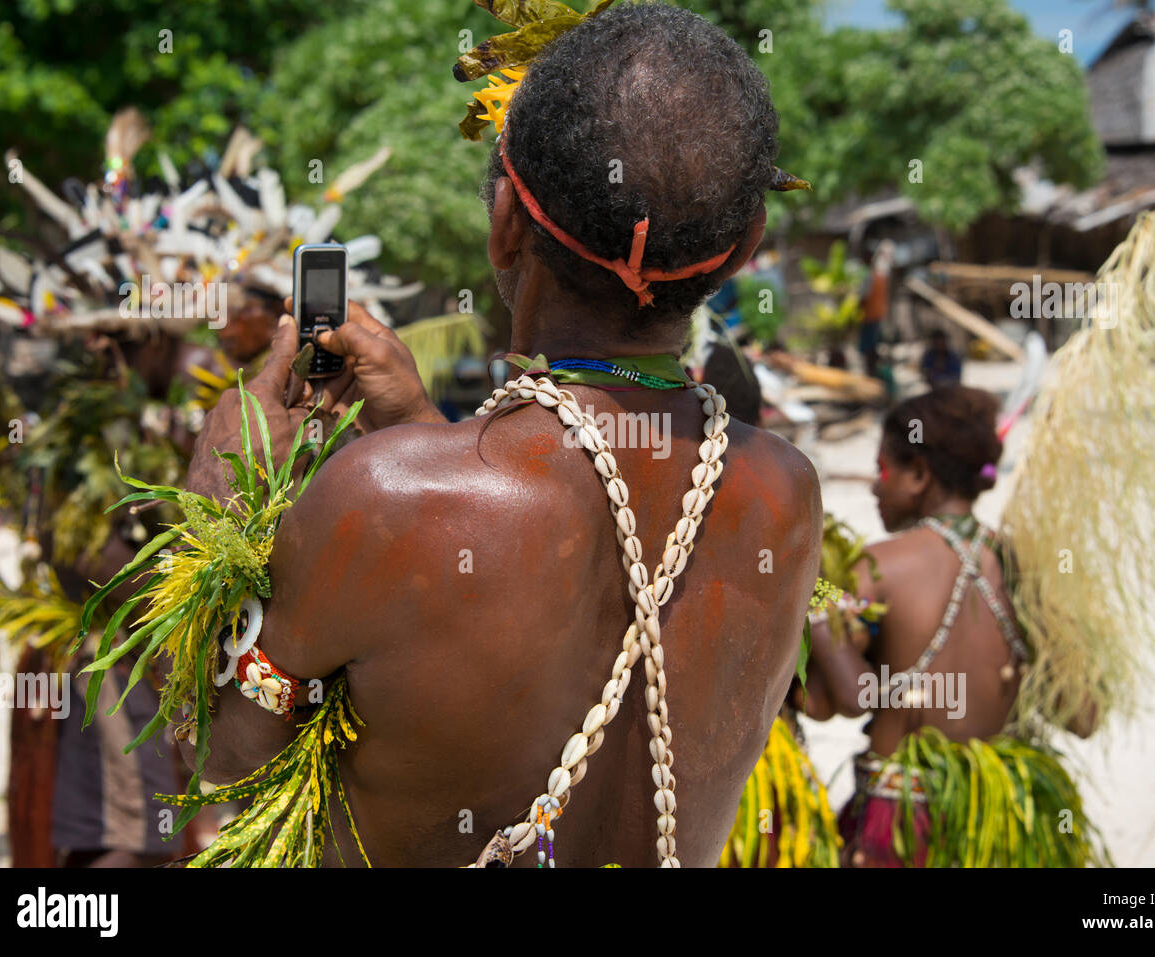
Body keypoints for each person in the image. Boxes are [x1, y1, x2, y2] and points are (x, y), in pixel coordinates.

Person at [172, 3, 822, 867]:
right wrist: (425, 432)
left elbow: (214, 754)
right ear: (747, 248)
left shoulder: (385, 498)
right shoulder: (784, 492)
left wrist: (215, 494)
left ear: (506, 221)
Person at [797, 387, 1104, 867]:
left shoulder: (878, 568)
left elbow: (835, 701)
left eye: (882, 470)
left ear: (919, 474)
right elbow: (1082, 714)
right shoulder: (1024, 566)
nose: (874, 486)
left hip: (901, 829)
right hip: (1008, 827)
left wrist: (812, 602)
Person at [856, 240, 894, 378]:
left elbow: (863, 298)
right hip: (877, 314)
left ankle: (872, 373)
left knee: (868, 348)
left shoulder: (870, 276)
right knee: (872, 347)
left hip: (869, 316)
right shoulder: (880, 275)